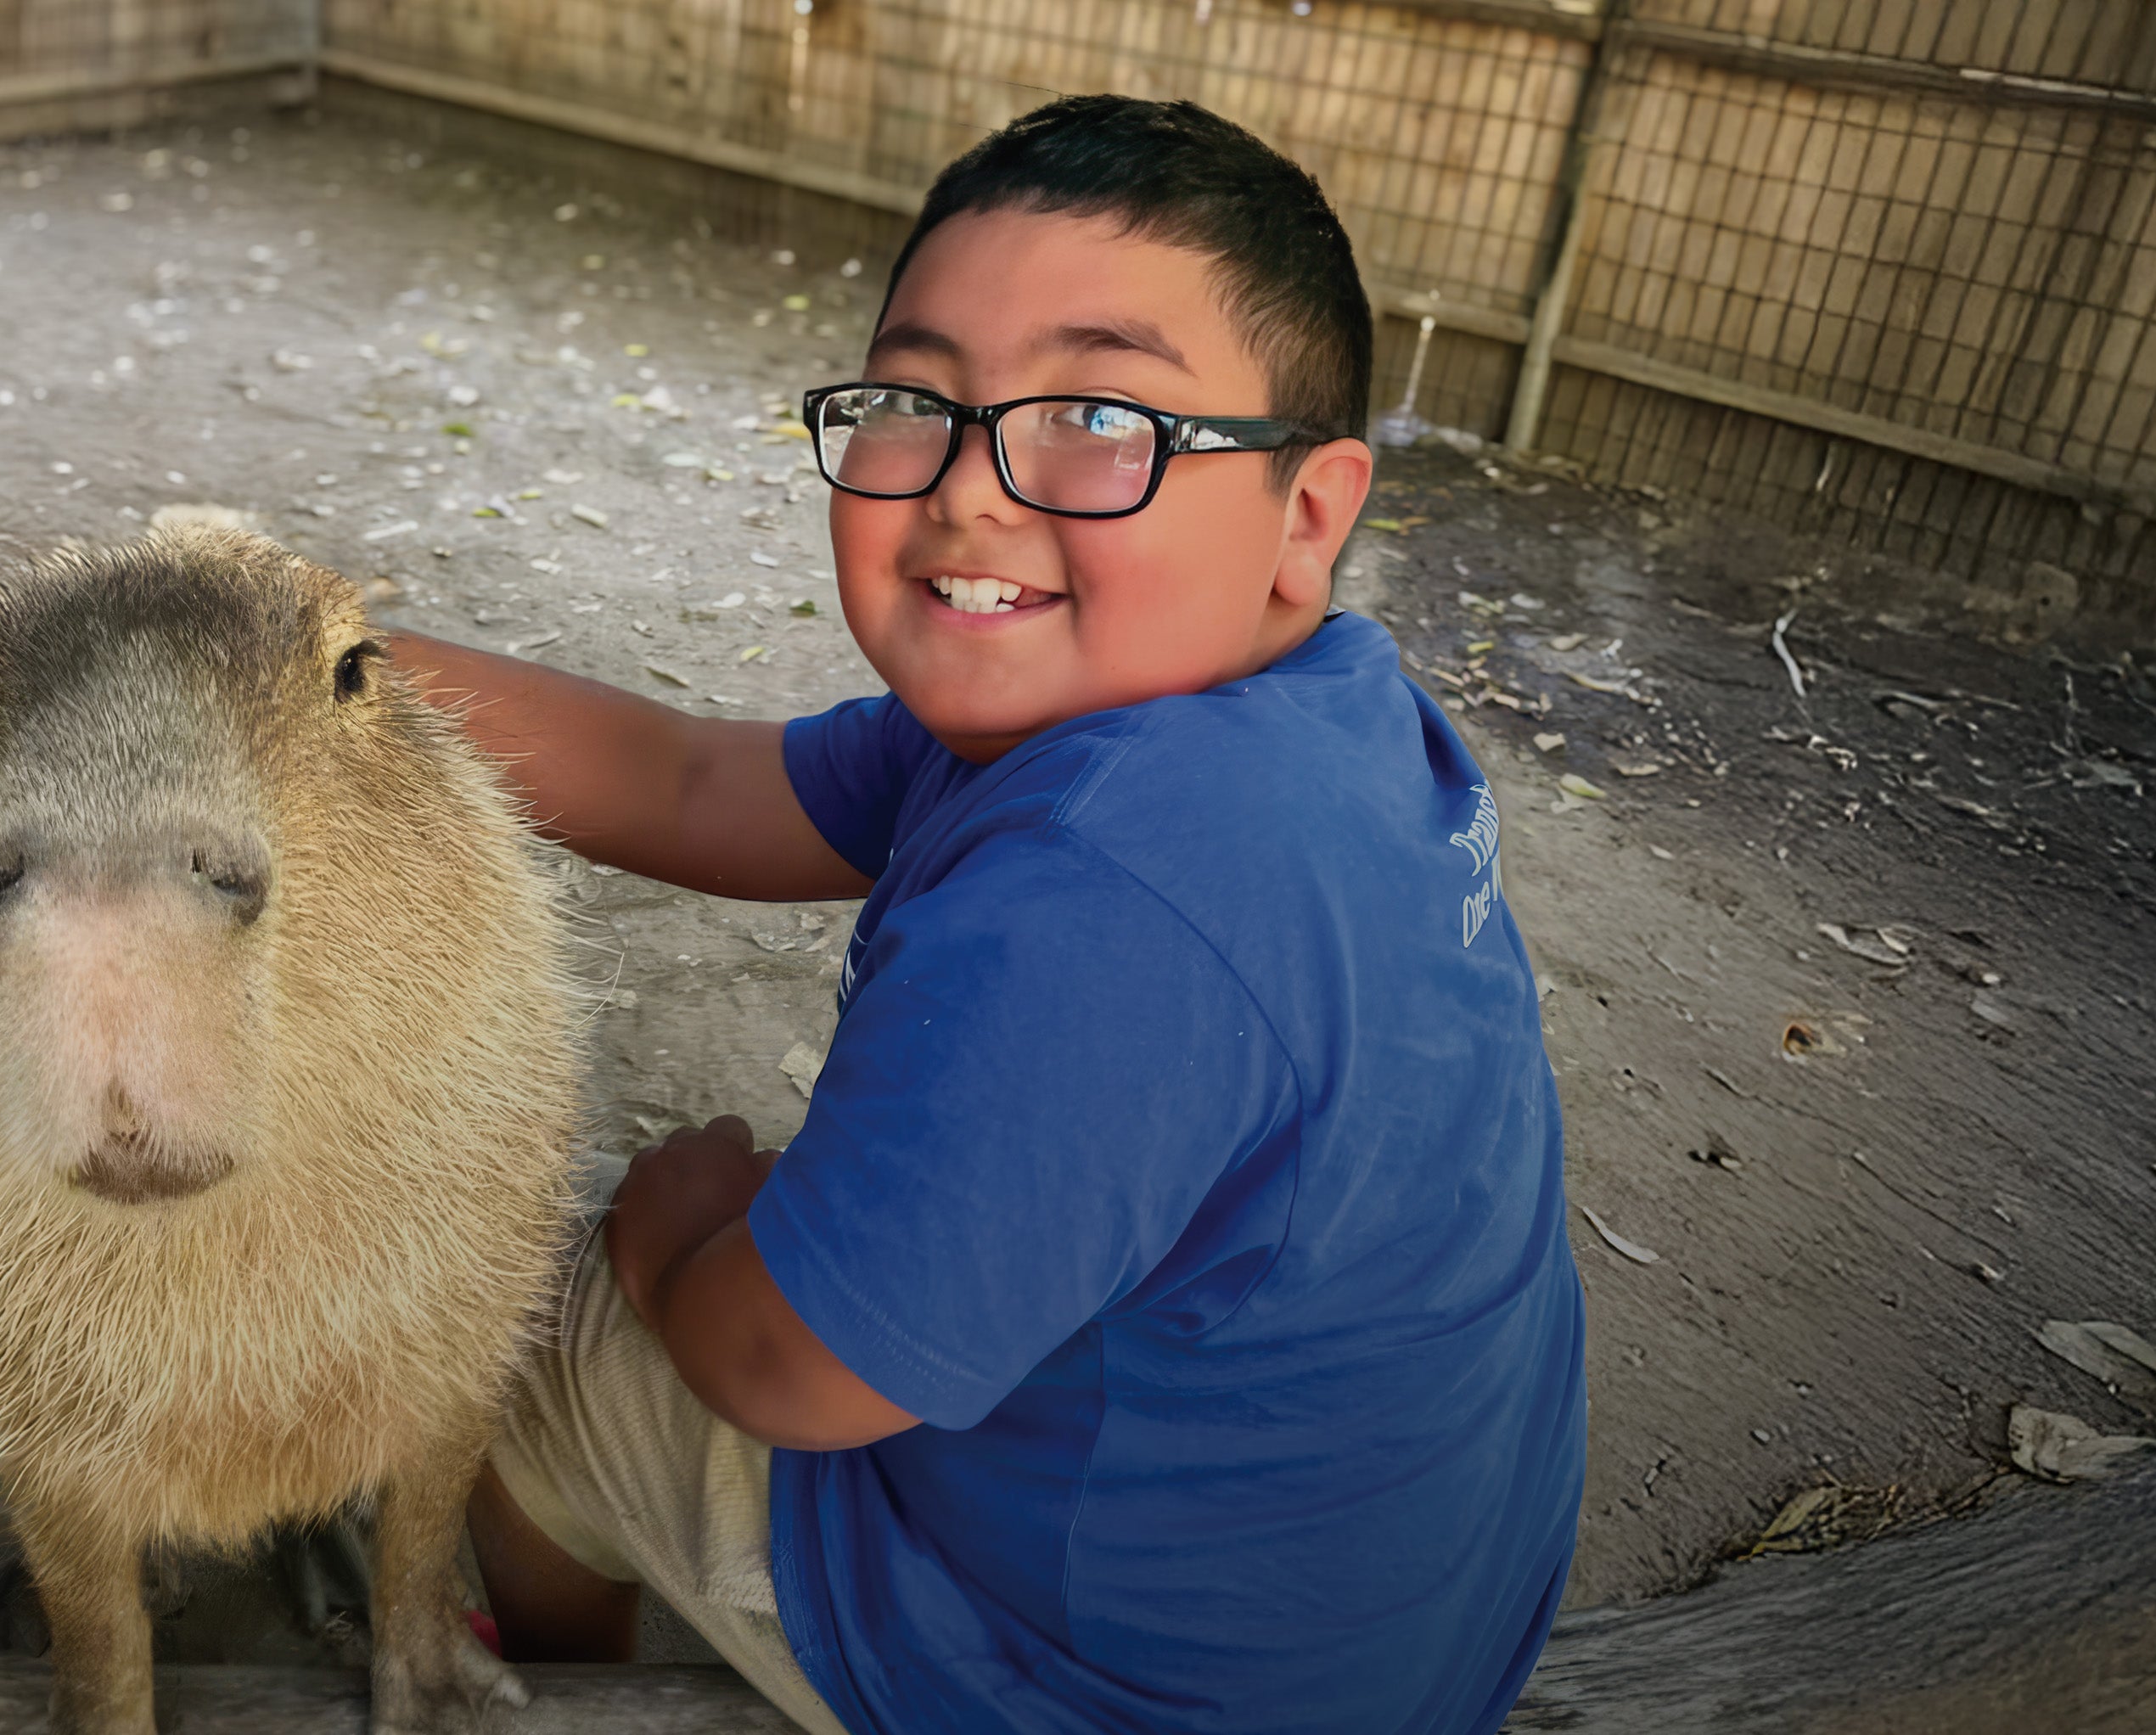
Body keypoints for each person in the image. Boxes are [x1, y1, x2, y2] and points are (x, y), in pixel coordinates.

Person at [390, 93, 1586, 1735]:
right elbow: (692, 783)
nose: (966, 490)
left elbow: (792, 1372)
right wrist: (315, 659)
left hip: (1125, 1697)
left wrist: (672, 1240)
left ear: (1308, 517)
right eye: (916, 402)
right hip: (1379, 1626)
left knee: (520, 1310)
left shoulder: (1123, 879)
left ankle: (555, 1682)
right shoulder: (1262, 714)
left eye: (1099, 414)